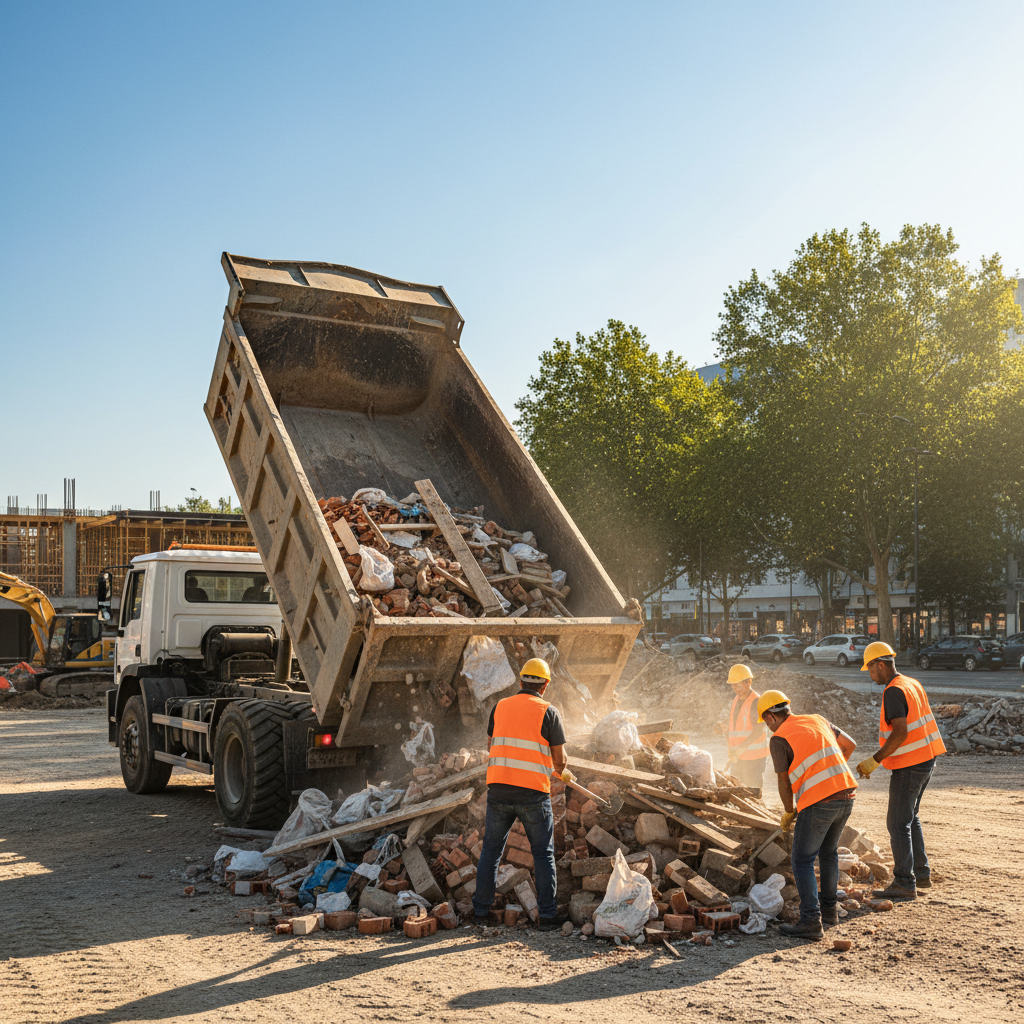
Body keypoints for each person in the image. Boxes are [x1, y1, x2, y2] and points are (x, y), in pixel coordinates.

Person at [472, 657, 567, 930]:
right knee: (543, 854)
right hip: (533, 794)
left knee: (490, 851)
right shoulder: (549, 712)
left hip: (499, 790)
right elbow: (559, 761)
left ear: (521, 681)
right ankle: (547, 917)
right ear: (545, 685)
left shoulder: (499, 707)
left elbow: (493, 745)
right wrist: (558, 767)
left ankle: (480, 913)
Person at [759, 688, 859, 940]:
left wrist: (789, 811)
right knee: (828, 854)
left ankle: (811, 921)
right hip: (846, 794)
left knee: (802, 860)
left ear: (770, 717)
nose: (767, 727)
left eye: (766, 722)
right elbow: (850, 745)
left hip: (819, 802)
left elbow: (783, 782)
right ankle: (829, 912)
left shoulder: (779, 738)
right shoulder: (818, 719)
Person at [856, 640, 945, 900]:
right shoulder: (911, 683)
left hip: (910, 765)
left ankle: (905, 882)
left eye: (870, 670)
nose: (870, 675)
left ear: (881, 665)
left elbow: (900, 732)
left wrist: (875, 760)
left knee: (896, 823)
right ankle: (921, 873)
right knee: (910, 817)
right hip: (927, 759)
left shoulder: (893, 691)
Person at [714, 663, 769, 795]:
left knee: (752, 790)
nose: (734, 688)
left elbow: (758, 730)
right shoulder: (736, 700)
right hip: (738, 755)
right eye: (732, 685)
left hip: (754, 757)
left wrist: (741, 747)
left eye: (737, 684)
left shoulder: (756, 701)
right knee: (737, 788)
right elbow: (738, 726)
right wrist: (724, 727)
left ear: (748, 682)